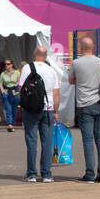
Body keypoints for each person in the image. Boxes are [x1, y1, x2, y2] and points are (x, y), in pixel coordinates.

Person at [68, 37, 100, 183]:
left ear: (81, 48)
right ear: (92, 47)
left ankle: (90, 174)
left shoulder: (77, 63)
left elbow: (70, 80)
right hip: (99, 102)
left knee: (88, 140)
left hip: (85, 104)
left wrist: (82, 80)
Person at [21, 44, 61, 183]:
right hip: (48, 108)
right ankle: (46, 174)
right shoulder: (52, 71)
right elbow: (56, 94)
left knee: (31, 141)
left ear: (34, 53)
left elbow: (21, 89)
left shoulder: (27, 68)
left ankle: (32, 174)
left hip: (31, 109)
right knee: (47, 142)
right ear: (45, 56)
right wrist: (55, 111)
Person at [0, 59, 20, 132]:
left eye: (8, 64)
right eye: (5, 64)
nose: (6, 65)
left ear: (11, 65)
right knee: (8, 109)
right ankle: (10, 124)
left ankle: (13, 123)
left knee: (14, 110)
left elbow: (19, 82)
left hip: (15, 93)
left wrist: (18, 92)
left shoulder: (16, 73)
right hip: (7, 92)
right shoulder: (3, 74)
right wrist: (3, 93)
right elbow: (1, 84)